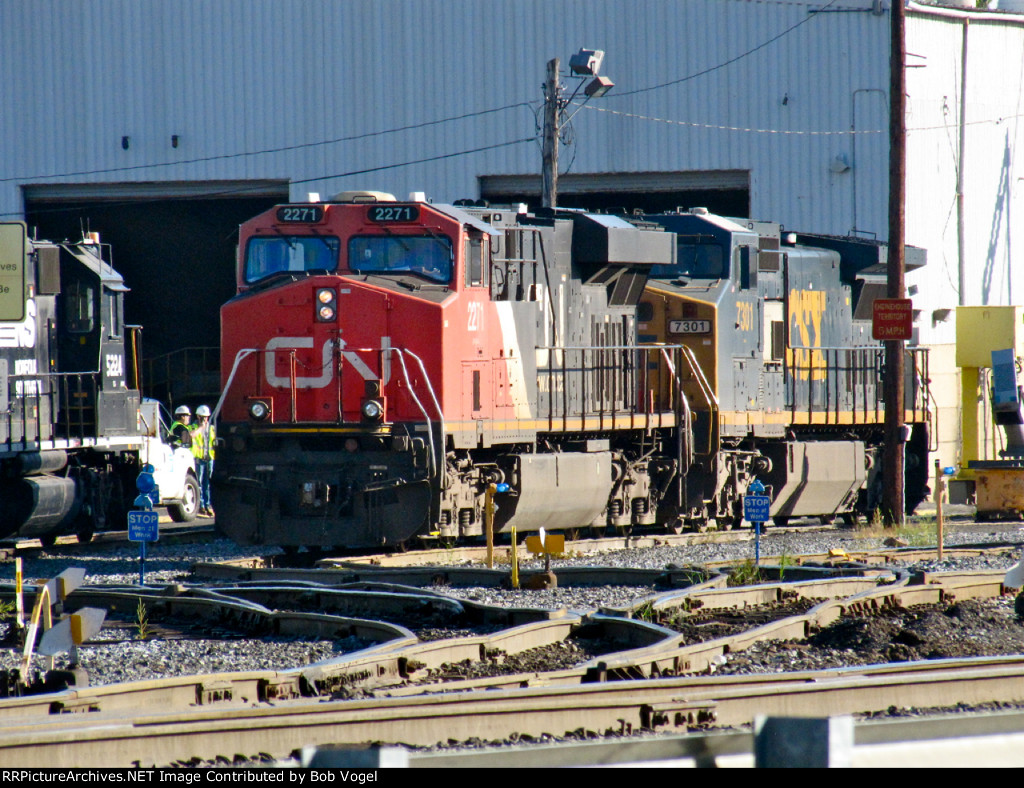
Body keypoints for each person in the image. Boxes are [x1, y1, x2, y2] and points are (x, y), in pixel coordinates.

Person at [191, 404, 216, 517]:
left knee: (208, 484)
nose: (204, 419)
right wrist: (201, 427)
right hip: (199, 459)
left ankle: (207, 505)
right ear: (198, 416)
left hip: (209, 458)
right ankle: (200, 505)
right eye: (202, 417)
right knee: (199, 483)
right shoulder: (193, 427)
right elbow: (192, 435)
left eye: (206, 417)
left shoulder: (211, 428)